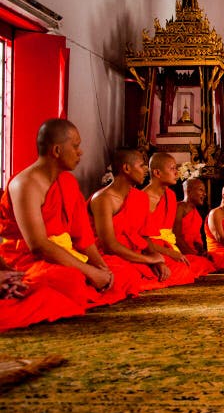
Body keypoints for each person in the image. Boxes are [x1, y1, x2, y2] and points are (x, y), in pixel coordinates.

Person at [0, 119, 140, 321]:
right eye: (75, 146)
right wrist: (91, 273)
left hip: (68, 255)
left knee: (125, 272)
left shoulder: (68, 182)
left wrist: (102, 269)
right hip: (32, 261)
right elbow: (39, 246)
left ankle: (87, 286)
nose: (80, 152)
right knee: (72, 281)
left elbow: (83, 237)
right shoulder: (25, 184)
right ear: (57, 150)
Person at [90, 148, 188, 290]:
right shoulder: (103, 199)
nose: (145, 170)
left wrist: (157, 260)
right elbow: (109, 246)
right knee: (125, 277)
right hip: (109, 256)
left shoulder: (139, 198)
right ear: (126, 168)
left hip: (134, 254)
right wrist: (149, 259)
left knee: (180, 270)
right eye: (142, 166)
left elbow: (144, 237)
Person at [143, 153, 216, 279]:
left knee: (197, 264)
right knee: (183, 269)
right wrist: (165, 254)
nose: (176, 173)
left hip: (166, 247)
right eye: (172, 169)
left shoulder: (170, 195)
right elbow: (139, 238)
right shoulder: (142, 198)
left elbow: (169, 234)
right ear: (157, 173)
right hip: (148, 249)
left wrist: (173, 252)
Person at [174, 178, 224, 271]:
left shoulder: (197, 215)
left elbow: (196, 240)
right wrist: (193, 254)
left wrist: (202, 252)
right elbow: (176, 237)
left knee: (219, 259)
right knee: (200, 263)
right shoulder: (179, 208)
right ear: (189, 191)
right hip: (178, 250)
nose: (204, 194)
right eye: (201, 190)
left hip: (192, 251)